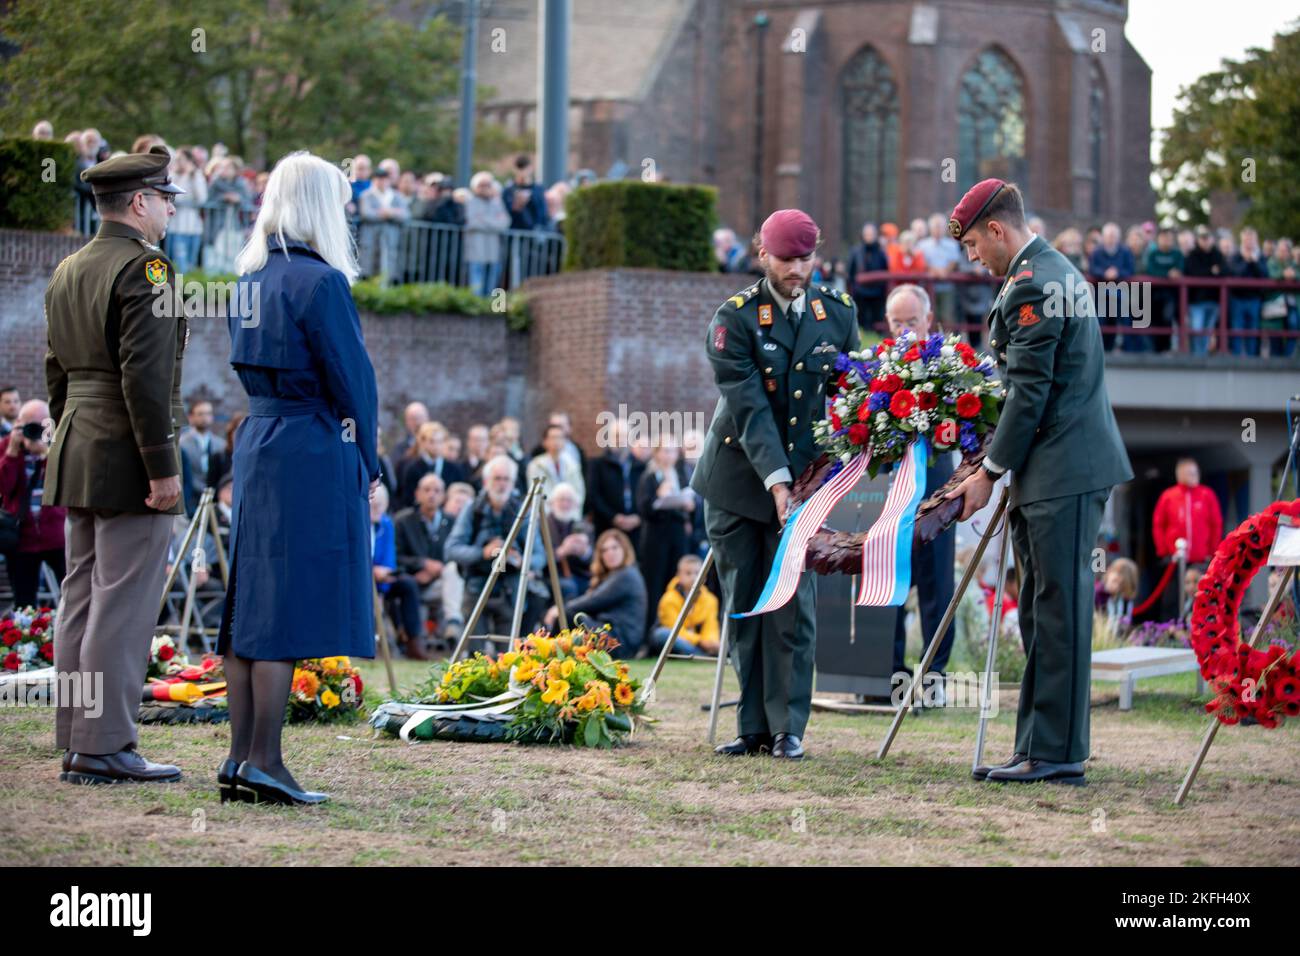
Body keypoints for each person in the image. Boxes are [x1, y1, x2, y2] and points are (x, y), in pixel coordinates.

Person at [945, 179, 1133, 786]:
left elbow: (1029, 391)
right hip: (1049, 470)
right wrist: (989, 461)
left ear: (997, 230)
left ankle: (1055, 752)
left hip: (1064, 468)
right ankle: (1038, 746)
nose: (973, 257)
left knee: (1059, 608)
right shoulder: (1037, 275)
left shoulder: (1036, 284)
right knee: (1040, 607)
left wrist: (990, 472)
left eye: (975, 244)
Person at [219, 151, 381, 806]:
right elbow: (354, 383)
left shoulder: (248, 278)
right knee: (283, 607)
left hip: (257, 440)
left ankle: (239, 760)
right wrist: (369, 458)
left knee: (248, 602)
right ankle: (266, 762)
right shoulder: (320, 283)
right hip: (308, 445)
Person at [690, 208, 859, 760]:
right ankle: (752, 726)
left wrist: (826, 476)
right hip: (739, 481)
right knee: (745, 603)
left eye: (806, 258)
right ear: (762, 255)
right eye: (786, 259)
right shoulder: (733, 319)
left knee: (793, 606)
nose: (797, 269)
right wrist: (777, 483)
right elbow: (750, 408)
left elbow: (845, 397)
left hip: (805, 483)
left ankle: (789, 727)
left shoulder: (837, 313)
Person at [45, 146, 187, 786]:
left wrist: (69, 432)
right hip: (128, 450)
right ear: (139, 202)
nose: (169, 207)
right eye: (165, 197)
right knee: (122, 604)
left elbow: (56, 370)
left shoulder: (69, 266)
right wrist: (161, 465)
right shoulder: (147, 269)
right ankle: (103, 746)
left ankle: (79, 735)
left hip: (78, 442)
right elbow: (147, 378)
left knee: (81, 595)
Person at [882, 284, 956, 702]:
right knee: (886, 580)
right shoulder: (877, 367)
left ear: (928, 320)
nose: (906, 329)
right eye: (898, 323)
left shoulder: (950, 365)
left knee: (938, 587)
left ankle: (934, 681)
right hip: (889, 490)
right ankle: (890, 675)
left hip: (937, 487)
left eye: (912, 321)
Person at [444, 455, 546, 643]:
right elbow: (451, 549)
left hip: (510, 589)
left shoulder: (523, 511)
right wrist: (482, 552)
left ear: (513, 482)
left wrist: (520, 559)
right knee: (475, 654)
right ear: (486, 481)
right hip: (476, 586)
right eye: (497, 478)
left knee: (506, 656)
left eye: (506, 479)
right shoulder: (472, 509)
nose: (501, 484)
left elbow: (540, 555)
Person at [0, 401, 66, 608]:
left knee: (71, 592)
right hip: (22, 538)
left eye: (39, 425)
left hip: (57, 535)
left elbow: (66, 479)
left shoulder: (55, 443)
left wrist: (46, 453)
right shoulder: (8, 446)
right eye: (29, 425)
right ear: (19, 423)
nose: (33, 430)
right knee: (24, 600)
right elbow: (4, 488)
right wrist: (12, 451)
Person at [543, 529, 647, 659]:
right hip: (611, 635)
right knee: (569, 610)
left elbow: (594, 601)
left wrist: (559, 609)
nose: (610, 553)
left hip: (619, 642)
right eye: (605, 550)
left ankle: (547, 652)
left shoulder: (626, 575)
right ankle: (552, 651)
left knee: (568, 614)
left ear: (625, 550)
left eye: (615, 548)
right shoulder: (614, 575)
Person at [393, 472, 465, 648]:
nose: (431, 494)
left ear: (443, 496)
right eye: (426, 490)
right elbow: (395, 556)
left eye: (436, 490)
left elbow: (456, 552)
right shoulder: (403, 521)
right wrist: (421, 564)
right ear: (417, 493)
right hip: (412, 582)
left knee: (453, 570)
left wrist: (437, 570)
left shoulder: (451, 522)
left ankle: (453, 625)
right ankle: (449, 625)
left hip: (441, 584)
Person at [635, 442, 692, 628]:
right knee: (654, 584)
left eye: (673, 451)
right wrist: (658, 496)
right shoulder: (649, 477)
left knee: (674, 582)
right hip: (655, 538)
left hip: (676, 536)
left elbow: (691, 504)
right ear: (657, 453)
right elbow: (643, 508)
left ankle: (673, 629)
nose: (669, 455)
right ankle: (651, 630)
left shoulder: (681, 475)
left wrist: (690, 506)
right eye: (665, 450)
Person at [370, 483, 427, 659]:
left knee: (408, 584)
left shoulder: (386, 524)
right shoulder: (357, 524)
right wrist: (371, 572)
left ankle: (413, 641)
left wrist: (383, 585)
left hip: (382, 579)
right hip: (361, 578)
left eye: (381, 504)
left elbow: (389, 559)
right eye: (374, 504)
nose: (378, 508)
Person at [648, 553, 720, 656]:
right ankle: (703, 655)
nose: (693, 577)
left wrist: (711, 642)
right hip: (679, 641)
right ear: (679, 575)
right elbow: (675, 630)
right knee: (662, 634)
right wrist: (700, 641)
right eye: (688, 573)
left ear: (705, 577)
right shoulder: (669, 599)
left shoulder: (711, 600)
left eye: (697, 573)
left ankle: (707, 653)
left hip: (700, 644)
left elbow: (711, 627)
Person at [178, 398, 225, 516]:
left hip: (215, 502)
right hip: (190, 502)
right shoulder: (182, 444)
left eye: (208, 413)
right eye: (200, 414)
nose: (204, 418)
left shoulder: (220, 444)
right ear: (191, 417)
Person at [527, 423, 585, 513]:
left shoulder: (572, 464)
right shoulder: (535, 465)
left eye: (560, 437)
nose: (557, 441)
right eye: (553, 437)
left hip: (569, 516)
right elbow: (535, 495)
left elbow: (579, 493)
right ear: (545, 442)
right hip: (545, 516)